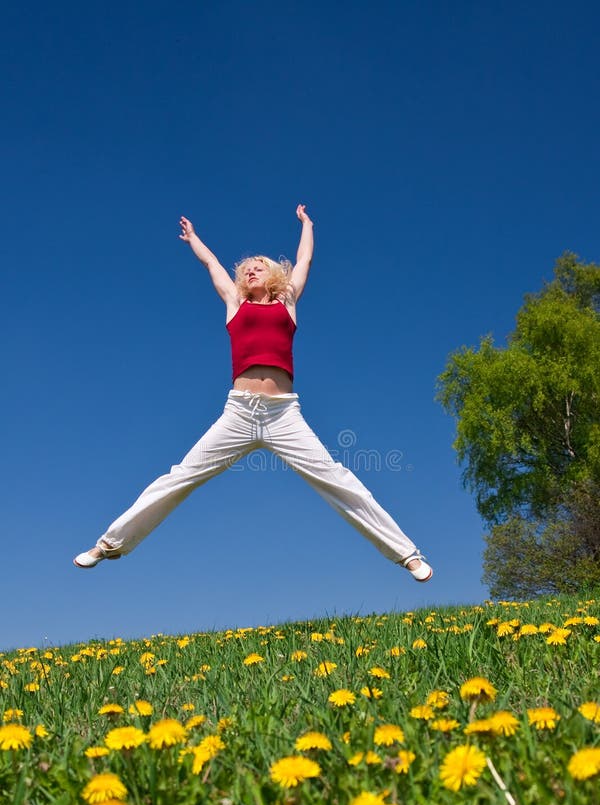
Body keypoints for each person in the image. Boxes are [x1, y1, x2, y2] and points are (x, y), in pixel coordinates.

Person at [74, 205, 433, 582]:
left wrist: (307, 225)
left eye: (259, 265)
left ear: (275, 274)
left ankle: (407, 554)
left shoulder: (288, 302)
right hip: (239, 413)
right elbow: (212, 264)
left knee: (337, 479)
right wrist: (194, 238)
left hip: (283, 415)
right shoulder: (235, 304)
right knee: (181, 476)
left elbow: (305, 257)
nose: (250, 269)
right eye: (246, 267)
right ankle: (108, 544)